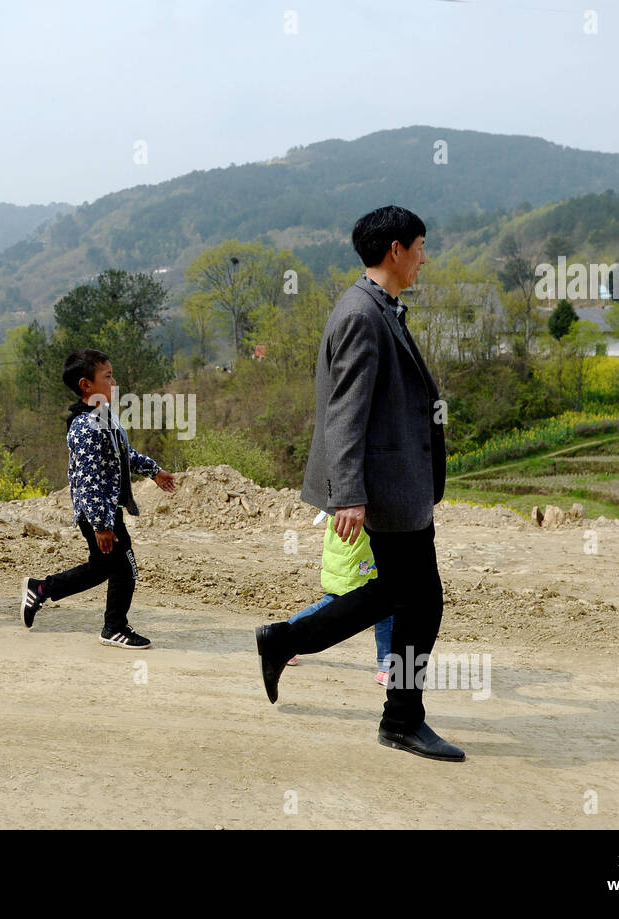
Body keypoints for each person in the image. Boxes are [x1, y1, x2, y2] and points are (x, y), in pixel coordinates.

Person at [254, 205, 464, 762]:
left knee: (405, 597)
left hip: (400, 484)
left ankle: (287, 641)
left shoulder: (381, 308)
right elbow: (343, 411)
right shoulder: (361, 315)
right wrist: (346, 492)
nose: (424, 256)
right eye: (420, 245)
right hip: (385, 486)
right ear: (394, 249)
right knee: (419, 603)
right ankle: (400, 719)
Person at [18, 349, 176, 648]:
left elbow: (123, 455)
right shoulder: (85, 427)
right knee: (125, 569)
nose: (115, 381)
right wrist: (102, 524)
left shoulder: (103, 417)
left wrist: (153, 471)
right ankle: (114, 628)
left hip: (105, 510)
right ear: (85, 385)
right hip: (99, 513)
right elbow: (87, 481)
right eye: (108, 376)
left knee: (100, 568)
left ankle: (40, 589)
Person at [284, 511, 390, 683]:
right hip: (356, 559)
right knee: (378, 605)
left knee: (382, 606)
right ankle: (283, 638)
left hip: (355, 556)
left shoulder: (342, 499)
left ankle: (283, 638)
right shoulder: (356, 499)